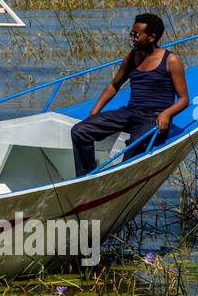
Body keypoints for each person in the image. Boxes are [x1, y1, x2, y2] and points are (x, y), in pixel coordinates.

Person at [70, 13, 188, 177]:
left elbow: (183, 99)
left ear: (152, 37)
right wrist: (94, 112)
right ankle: (86, 177)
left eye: (136, 35)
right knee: (80, 130)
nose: (132, 38)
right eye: (131, 33)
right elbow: (114, 85)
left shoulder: (171, 61)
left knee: (132, 151)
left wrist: (166, 114)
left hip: (153, 117)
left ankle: (121, 179)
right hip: (130, 112)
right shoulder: (132, 57)